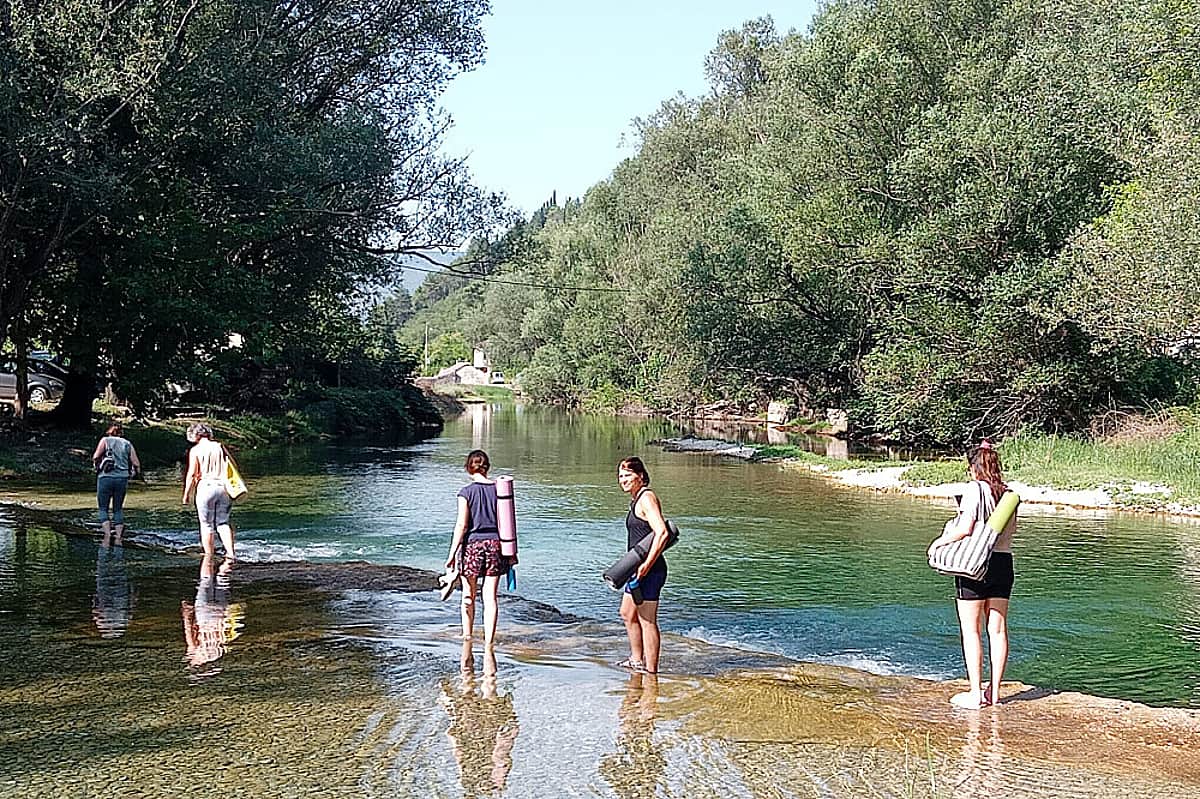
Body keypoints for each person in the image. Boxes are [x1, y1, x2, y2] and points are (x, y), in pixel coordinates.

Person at [927, 440, 1016, 709]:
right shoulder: (1008, 495)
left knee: (971, 630)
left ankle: (975, 693)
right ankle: (996, 692)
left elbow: (965, 528)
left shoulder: (975, 489)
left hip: (975, 564)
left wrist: (938, 543)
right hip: (1002, 562)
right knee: (998, 630)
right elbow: (1011, 533)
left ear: (973, 468)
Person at [445, 450, 513, 646]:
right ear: (487, 467)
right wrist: (512, 554)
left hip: (472, 546)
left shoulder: (465, 492)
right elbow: (506, 523)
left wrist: (451, 555)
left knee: (469, 595)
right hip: (495, 546)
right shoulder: (500, 490)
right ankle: (489, 642)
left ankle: (467, 637)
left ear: (468, 468)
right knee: (490, 597)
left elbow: (462, 525)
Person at [615, 456, 671, 674]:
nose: (623, 480)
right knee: (627, 613)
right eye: (620, 476)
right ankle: (636, 659)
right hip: (637, 568)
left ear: (640, 476)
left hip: (650, 569)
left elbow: (662, 532)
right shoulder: (636, 499)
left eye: (627, 475)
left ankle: (651, 671)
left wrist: (647, 565)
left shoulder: (647, 498)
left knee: (647, 620)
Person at [182, 423, 236, 568]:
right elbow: (232, 466)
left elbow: (192, 474)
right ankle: (230, 553)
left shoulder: (196, 450)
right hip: (223, 487)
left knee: (206, 525)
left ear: (195, 435)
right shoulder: (219, 446)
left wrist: (187, 493)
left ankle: (209, 555)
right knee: (223, 522)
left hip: (205, 487)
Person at [92, 422, 140, 546]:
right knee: (118, 508)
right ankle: (118, 537)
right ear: (121, 432)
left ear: (109, 430)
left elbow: (96, 456)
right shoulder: (127, 443)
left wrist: (97, 466)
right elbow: (136, 463)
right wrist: (135, 474)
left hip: (105, 478)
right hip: (122, 478)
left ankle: (107, 535)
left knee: (103, 508)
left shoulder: (105, 440)